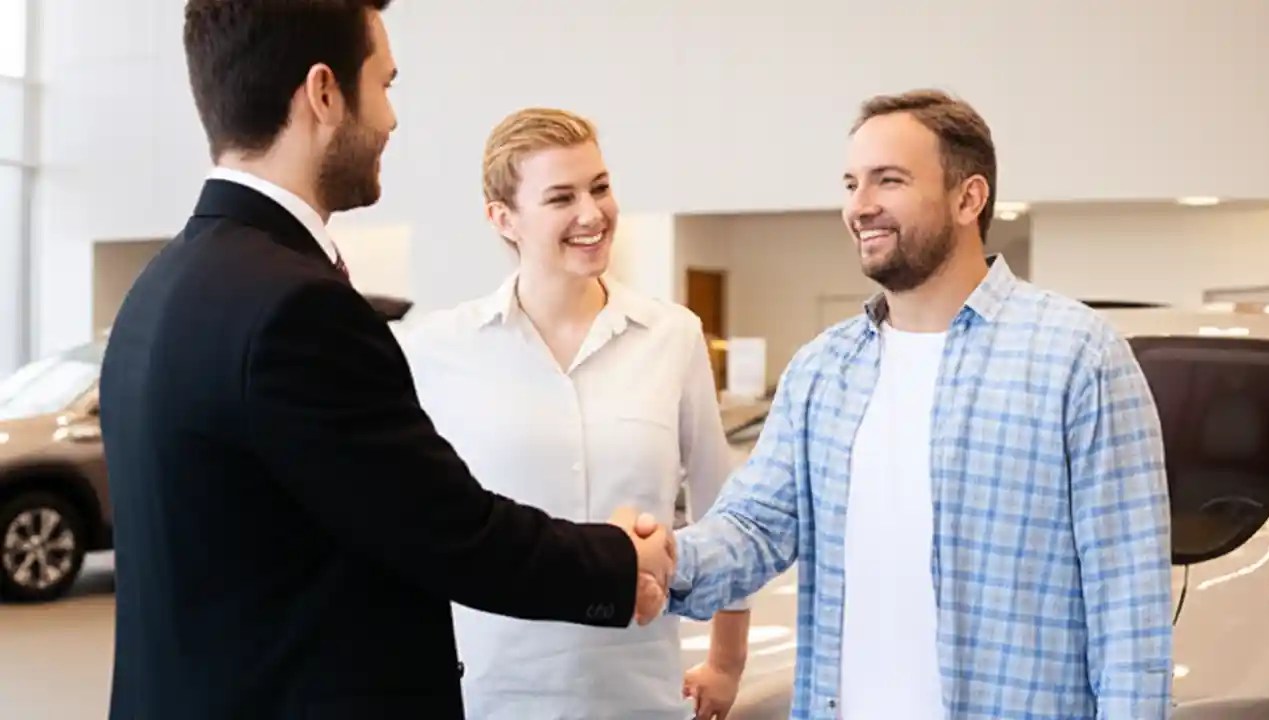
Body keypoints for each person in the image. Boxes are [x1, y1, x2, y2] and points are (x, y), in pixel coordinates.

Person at [98, 3, 673, 719]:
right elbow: (443, 527)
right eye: (384, 83)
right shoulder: (296, 308)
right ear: (324, 93)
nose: (393, 119)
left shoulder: (157, 289)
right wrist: (618, 562)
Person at [663, 89, 1174, 718]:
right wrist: (659, 561)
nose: (860, 206)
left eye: (889, 180)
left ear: (968, 198)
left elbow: (1129, 605)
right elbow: (754, 528)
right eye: (851, 183)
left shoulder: (1078, 357)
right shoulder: (823, 369)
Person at [399, 107, 750, 720]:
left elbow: (723, 511)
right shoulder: (437, 348)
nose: (592, 213)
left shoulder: (672, 335)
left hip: (639, 695)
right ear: (502, 218)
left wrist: (726, 661)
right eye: (561, 197)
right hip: (487, 695)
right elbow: (411, 523)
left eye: (600, 187)